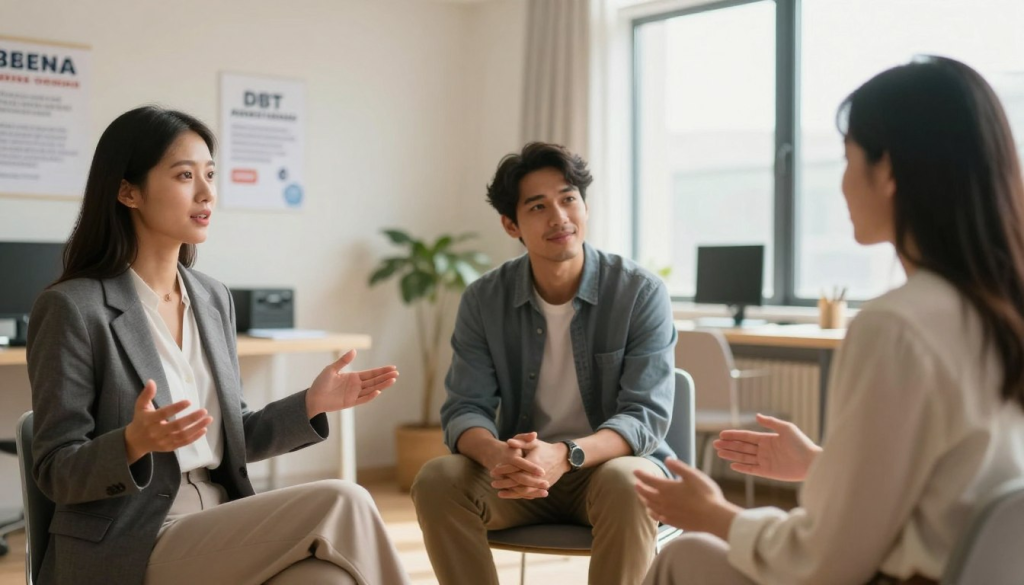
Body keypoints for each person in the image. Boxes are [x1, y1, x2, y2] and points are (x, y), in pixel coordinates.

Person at [635, 56, 1024, 585]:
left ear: (886, 171)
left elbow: (826, 564)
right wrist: (822, 464)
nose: (841, 184)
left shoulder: (896, 327)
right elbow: (956, 490)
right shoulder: (1000, 310)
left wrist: (713, 513)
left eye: (846, 158)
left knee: (684, 555)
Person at [26, 106, 411, 585]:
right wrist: (132, 443)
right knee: (345, 499)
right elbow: (55, 470)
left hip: (222, 519)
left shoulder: (212, 298)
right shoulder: (72, 308)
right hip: (134, 538)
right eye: (185, 175)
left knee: (326, 581)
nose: (207, 193)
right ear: (128, 191)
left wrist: (313, 404)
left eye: (209, 174)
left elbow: (233, 435)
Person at [410, 142, 678, 585]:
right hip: (519, 478)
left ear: (585, 206)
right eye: (538, 206)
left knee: (629, 484)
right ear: (511, 224)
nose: (559, 217)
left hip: (607, 470)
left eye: (568, 198)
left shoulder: (639, 293)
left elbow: (645, 417)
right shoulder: (483, 299)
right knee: (438, 479)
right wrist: (497, 455)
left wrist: (565, 455)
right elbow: (464, 408)